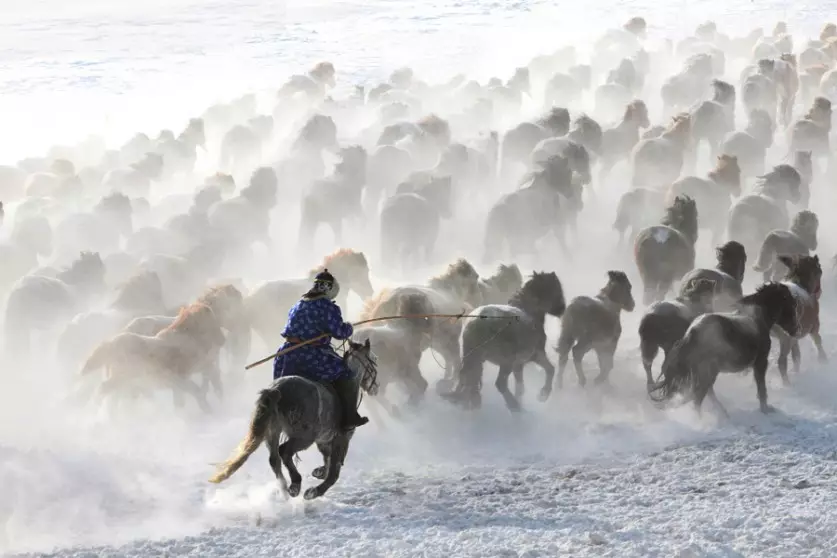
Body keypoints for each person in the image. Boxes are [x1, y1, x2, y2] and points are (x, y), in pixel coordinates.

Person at [273, 269, 369, 431]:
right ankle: (349, 417)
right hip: (312, 356)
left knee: (278, 387)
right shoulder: (328, 307)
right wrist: (349, 328)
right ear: (331, 290)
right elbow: (339, 333)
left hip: (286, 355)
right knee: (347, 374)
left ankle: (275, 415)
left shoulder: (298, 304)